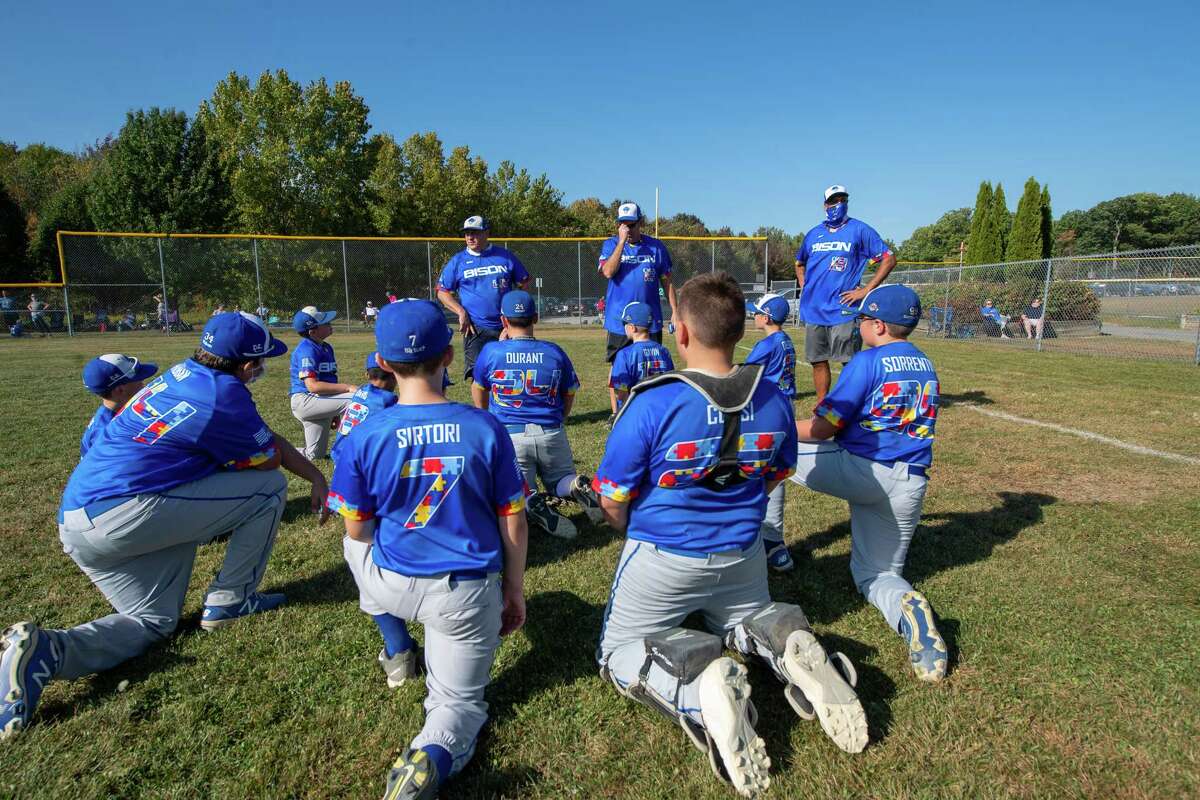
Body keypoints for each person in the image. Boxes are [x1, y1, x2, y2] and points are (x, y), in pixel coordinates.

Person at [593, 273, 868, 797]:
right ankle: (790, 647)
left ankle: (700, 692)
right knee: (743, 618)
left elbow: (613, 497)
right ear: (741, 330)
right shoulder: (772, 397)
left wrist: (629, 530)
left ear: (681, 333)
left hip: (665, 555)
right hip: (743, 551)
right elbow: (776, 474)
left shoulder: (653, 401)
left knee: (617, 649)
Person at [0, 312, 329, 740]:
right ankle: (232, 600)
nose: (262, 367)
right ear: (246, 365)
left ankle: (48, 650)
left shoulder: (182, 372)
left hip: (78, 521)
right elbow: (265, 460)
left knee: (151, 622)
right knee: (267, 488)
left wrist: (316, 475)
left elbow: (260, 437)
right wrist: (312, 476)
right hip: (128, 512)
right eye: (260, 360)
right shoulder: (225, 393)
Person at [328, 299, 529, 799]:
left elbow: (357, 530)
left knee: (354, 545)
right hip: (462, 592)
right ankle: (429, 757)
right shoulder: (484, 427)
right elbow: (513, 517)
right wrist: (514, 588)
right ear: (448, 358)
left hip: (390, 581)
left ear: (383, 363)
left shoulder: (364, 433)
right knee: (455, 708)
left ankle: (395, 646)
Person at [790, 284, 948, 682]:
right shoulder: (925, 361)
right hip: (910, 481)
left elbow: (824, 429)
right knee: (877, 576)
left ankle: (771, 542)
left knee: (771, 449)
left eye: (862, 318)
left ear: (878, 324)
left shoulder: (868, 360)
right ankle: (907, 606)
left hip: (864, 469)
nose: (858, 324)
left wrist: (777, 428)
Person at [471, 289, 603, 540]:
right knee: (561, 480)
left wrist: (486, 417)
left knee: (517, 490)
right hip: (550, 431)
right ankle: (576, 486)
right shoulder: (554, 352)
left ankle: (533, 502)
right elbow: (570, 391)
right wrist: (561, 418)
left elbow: (479, 387)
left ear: (503, 321)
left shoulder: (491, 352)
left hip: (511, 435)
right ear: (535, 318)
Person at [794, 185, 896, 406]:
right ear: (825, 205)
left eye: (842, 199)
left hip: (843, 308)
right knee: (818, 360)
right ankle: (822, 405)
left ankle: (854, 405)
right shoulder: (813, 234)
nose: (838, 204)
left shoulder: (859, 230)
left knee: (848, 362)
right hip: (815, 310)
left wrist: (865, 290)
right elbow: (798, 262)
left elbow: (888, 258)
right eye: (833, 200)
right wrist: (804, 284)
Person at [436, 215, 531, 381]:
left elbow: (524, 283)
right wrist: (461, 312)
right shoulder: (458, 261)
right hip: (474, 327)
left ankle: (505, 407)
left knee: (510, 373)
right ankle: (481, 409)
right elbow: (442, 292)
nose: (470, 237)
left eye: (475, 232)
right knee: (478, 375)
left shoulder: (505, 256)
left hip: (506, 326)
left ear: (487, 233)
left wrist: (514, 318)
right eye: (467, 233)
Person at [744, 293, 798, 573]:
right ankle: (771, 541)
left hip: (768, 409)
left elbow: (746, 374)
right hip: (784, 405)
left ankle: (770, 541)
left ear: (766, 317)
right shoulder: (786, 340)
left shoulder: (767, 344)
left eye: (756, 312)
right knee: (776, 471)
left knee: (767, 470)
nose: (754, 316)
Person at [598, 203, 677, 369]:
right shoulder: (611, 245)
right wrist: (621, 244)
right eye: (623, 225)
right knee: (618, 368)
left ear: (640, 222)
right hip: (620, 321)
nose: (627, 229)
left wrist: (675, 312)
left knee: (652, 368)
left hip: (649, 321)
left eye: (631, 225)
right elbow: (608, 272)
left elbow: (667, 280)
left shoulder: (656, 247)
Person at [289, 305, 357, 460]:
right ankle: (351, 451)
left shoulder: (325, 347)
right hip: (305, 400)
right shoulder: (307, 349)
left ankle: (281, 451)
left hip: (318, 400)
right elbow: (312, 386)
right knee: (355, 399)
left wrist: (333, 411)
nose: (330, 324)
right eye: (325, 323)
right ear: (312, 331)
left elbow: (326, 381)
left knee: (315, 455)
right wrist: (347, 388)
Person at [79, 354, 159, 459]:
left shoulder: (119, 411)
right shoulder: (108, 434)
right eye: (138, 381)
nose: (143, 385)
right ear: (120, 390)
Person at [607, 301, 674, 414]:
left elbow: (621, 391)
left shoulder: (624, 354)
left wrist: (621, 413)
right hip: (661, 410)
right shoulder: (664, 351)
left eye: (625, 324)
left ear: (632, 328)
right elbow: (671, 382)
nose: (623, 327)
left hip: (636, 412)